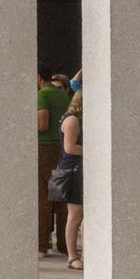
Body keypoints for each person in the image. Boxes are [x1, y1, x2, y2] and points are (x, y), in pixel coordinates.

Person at [36, 68, 71, 257]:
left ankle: (41, 245)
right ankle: (65, 245)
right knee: (62, 198)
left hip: (44, 149)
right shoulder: (63, 96)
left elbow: (42, 124)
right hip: (63, 148)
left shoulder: (42, 95)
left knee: (42, 197)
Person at [56, 88, 85, 269]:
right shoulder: (73, 120)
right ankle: (72, 256)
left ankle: (83, 253)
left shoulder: (79, 119)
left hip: (81, 168)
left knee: (83, 216)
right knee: (74, 216)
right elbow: (70, 147)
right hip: (74, 170)